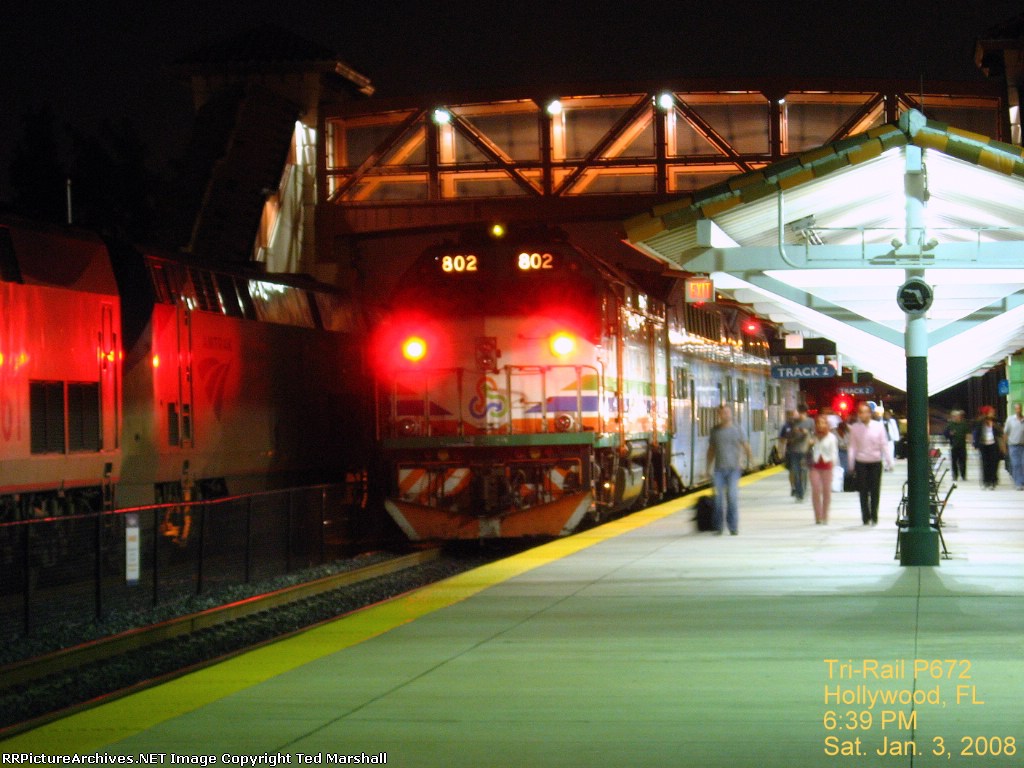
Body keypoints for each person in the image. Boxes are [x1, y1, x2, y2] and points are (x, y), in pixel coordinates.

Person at [706, 405, 752, 535]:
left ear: (731, 413)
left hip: (734, 470)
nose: (725, 415)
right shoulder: (715, 431)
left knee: (732, 497)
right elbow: (711, 450)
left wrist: (750, 461)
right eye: (723, 413)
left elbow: (746, 446)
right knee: (718, 499)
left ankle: (733, 526)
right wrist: (708, 468)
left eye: (727, 412)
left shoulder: (738, 429)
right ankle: (718, 526)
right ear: (719, 415)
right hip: (718, 470)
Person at [847, 402, 893, 525]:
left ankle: (874, 515)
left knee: (875, 490)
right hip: (861, 462)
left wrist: (889, 461)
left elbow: (884, 444)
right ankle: (865, 516)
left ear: (870, 413)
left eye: (866, 412)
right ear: (858, 414)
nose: (864, 415)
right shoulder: (855, 428)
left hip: (875, 462)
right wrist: (851, 463)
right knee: (863, 491)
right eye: (861, 412)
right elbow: (852, 446)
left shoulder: (878, 426)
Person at [808, 414, 839, 524]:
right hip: (815, 467)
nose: (821, 425)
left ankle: (825, 516)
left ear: (827, 424)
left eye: (823, 423)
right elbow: (807, 449)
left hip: (827, 467)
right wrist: (809, 444)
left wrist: (833, 465)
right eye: (818, 423)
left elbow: (834, 452)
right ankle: (818, 516)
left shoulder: (831, 437)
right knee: (816, 490)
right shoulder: (813, 436)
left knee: (826, 492)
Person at [778, 406, 813, 501]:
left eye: (800, 413)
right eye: (798, 413)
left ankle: (802, 490)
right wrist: (792, 433)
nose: (798, 415)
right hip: (793, 452)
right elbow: (784, 438)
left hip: (806, 451)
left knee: (803, 472)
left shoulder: (811, 422)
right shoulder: (790, 424)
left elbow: (814, 435)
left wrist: (809, 437)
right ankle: (798, 491)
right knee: (795, 472)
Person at [973, 406, 1004, 489]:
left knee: (993, 463)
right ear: (986, 413)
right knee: (985, 464)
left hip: (993, 444)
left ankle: (993, 481)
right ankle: (986, 481)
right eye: (991, 412)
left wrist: (994, 425)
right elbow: (976, 433)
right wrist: (975, 444)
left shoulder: (995, 421)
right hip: (983, 444)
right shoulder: (980, 422)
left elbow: (1000, 432)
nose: (993, 413)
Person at [943, 409, 969, 482]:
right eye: (954, 416)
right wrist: (950, 434)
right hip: (953, 446)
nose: (956, 417)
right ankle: (955, 475)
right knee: (954, 462)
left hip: (962, 446)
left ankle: (963, 475)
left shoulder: (963, 424)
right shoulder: (950, 425)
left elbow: (968, 433)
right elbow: (945, 434)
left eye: (957, 416)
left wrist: (969, 439)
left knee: (963, 461)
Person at [1003, 403, 1024, 490]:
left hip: (1023, 445)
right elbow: (1005, 433)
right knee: (1016, 464)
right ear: (1015, 410)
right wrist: (1004, 446)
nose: (1018, 410)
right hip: (1013, 445)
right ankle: (1018, 483)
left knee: (1023, 464)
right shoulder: (1010, 420)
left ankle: (1022, 481)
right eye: (1017, 409)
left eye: (1020, 408)